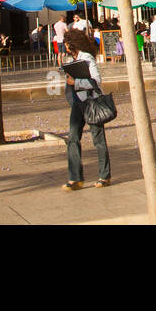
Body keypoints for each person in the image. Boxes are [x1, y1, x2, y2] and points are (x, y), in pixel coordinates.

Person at [60, 29, 111, 190]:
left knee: (98, 140)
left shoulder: (87, 58)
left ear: (72, 43)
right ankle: (75, 178)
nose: (65, 46)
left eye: (67, 43)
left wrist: (75, 83)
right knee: (73, 138)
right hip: (77, 103)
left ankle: (104, 175)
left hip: (91, 102)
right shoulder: (73, 59)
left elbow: (96, 81)